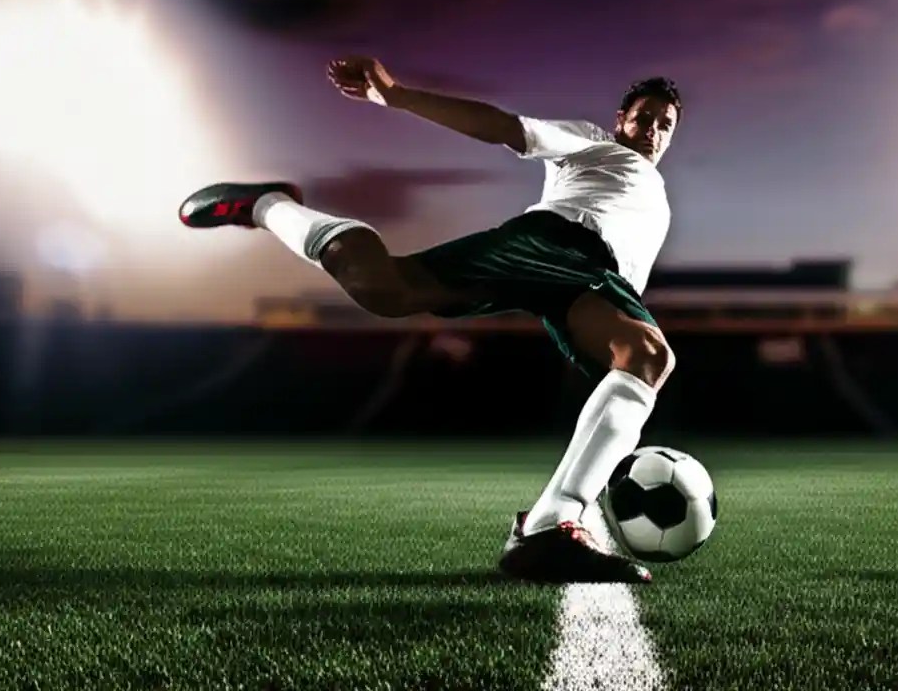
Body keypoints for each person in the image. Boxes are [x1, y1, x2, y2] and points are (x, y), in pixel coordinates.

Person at [178, 55, 682, 584]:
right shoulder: (593, 144)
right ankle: (268, 206)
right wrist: (396, 94)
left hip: (593, 284)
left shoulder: (658, 200)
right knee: (384, 289)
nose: (652, 130)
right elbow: (506, 129)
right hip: (554, 244)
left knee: (644, 356)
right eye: (643, 117)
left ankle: (549, 529)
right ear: (621, 117)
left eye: (664, 124)